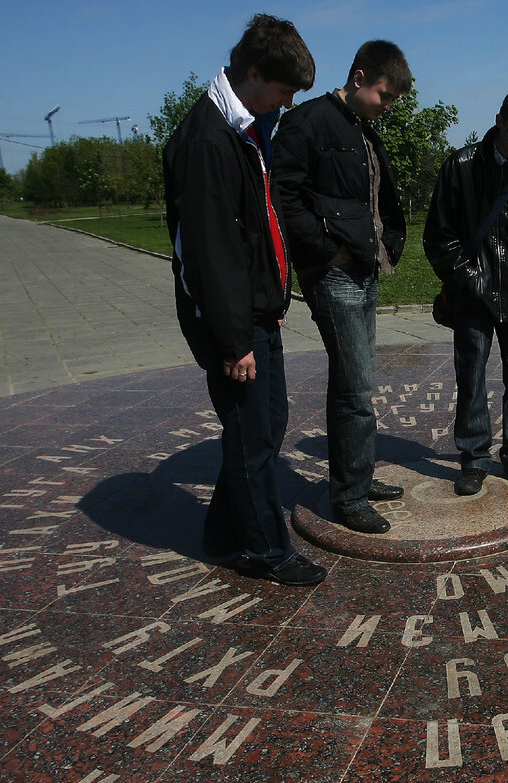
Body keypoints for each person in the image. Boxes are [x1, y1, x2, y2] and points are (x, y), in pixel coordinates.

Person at [163, 13, 326, 587]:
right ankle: (266, 551)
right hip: (232, 323)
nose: (286, 104)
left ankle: (223, 533)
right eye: (282, 91)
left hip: (256, 310)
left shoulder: (243, 127)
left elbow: (253, 225)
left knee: (265, 423)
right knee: (252, 434)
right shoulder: (208, 140)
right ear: (253, 73)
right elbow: (210, 251)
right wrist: (234, 342)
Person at [274, 40, 411, 534]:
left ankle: (357, 475)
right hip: (335, 273)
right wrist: (325, 251)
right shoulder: (307, 122)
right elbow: (284, 196)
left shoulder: (361, 126)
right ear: (358, 78)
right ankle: (349, 496)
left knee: (356, 382)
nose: (387, 106)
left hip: (362, 268)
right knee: (355, 388)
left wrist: (382, 245)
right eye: (384, 95)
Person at [424, 89, 508, 496]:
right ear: (499, 121)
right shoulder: (461, 166)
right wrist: (472, 281)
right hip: (472, 295)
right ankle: (474, 457)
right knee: (471, 376)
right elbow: (439, 237)